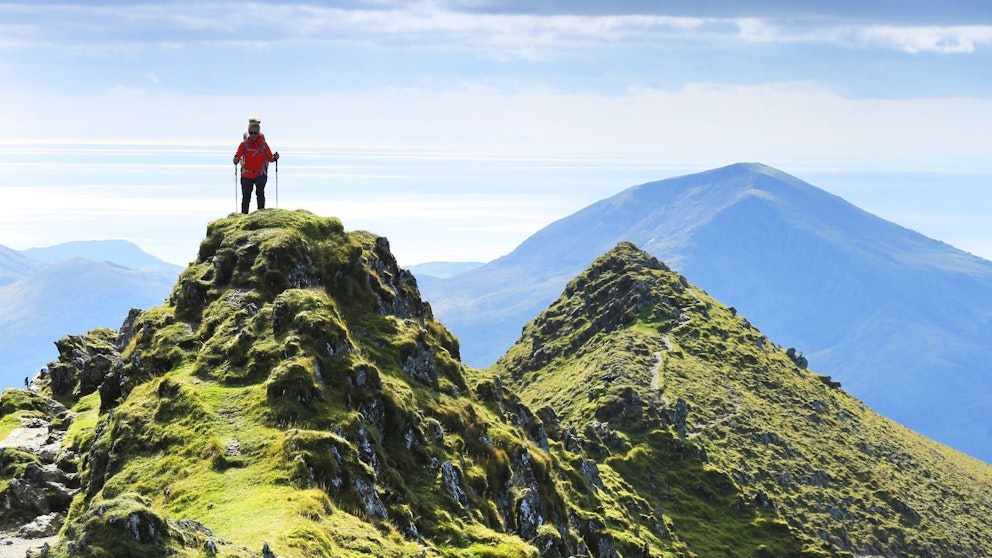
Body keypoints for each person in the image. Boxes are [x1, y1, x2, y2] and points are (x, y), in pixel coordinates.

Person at [233, 118, 279, 214]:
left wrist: (275, 158)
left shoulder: (263, 145)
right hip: (246, 175)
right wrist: (236, 159)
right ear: (248, 132)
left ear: (259, 132)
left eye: (255, 133)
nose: (253, 135)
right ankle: (244, 216)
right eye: (251, 133)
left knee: (260, 193)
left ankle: (261, 214)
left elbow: (270, 158)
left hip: (260, 174)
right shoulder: (244, 144)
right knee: (246, 196)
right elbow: (238, 155)